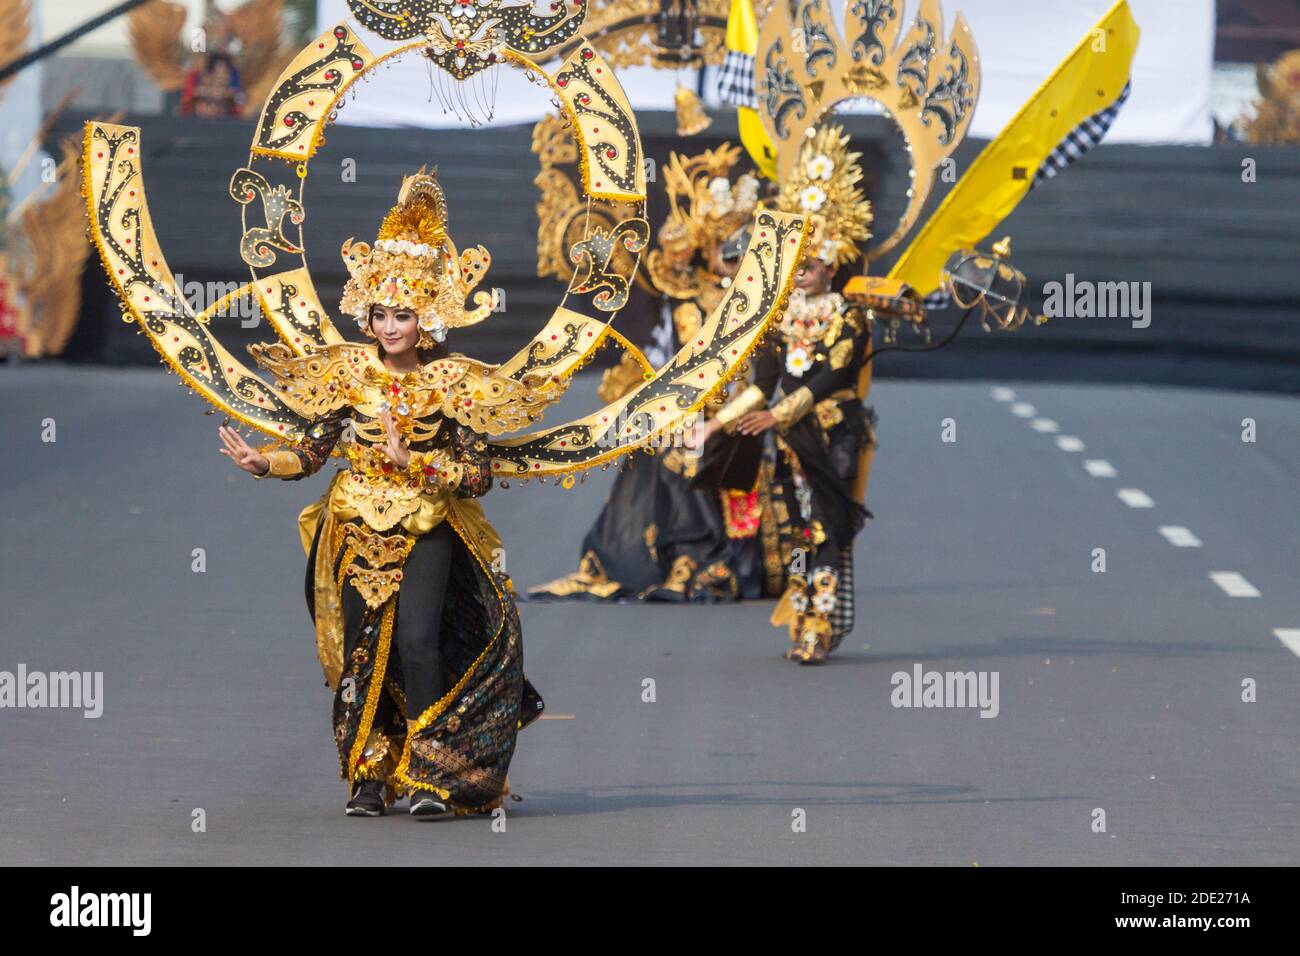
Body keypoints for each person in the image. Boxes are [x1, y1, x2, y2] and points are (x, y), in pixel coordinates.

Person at [219, 169, 550, 817]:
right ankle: (370, 775)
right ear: (365, 315)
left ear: (425, 321)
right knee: (360, 650)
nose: (390, 325)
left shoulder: (452, 387)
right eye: (380, 313)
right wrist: (266, 464)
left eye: (403, 314)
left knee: (420, 642)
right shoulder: (346, 376)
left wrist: (420, 464)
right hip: (355, 526)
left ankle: (429, 775)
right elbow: (312, 452)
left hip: (425, 526)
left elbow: (478, 474)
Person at [696, 124, 876, 664]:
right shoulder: (776, 319)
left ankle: (821, 626)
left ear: (832, 265)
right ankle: (804, 621)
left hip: (834, 438)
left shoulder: (850, 316)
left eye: (815, 265)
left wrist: (777, 415)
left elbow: (833, 378)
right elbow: (762, 385)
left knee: (824, 528)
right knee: (798, 532)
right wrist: (717, 422)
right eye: (798, 264)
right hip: (791, 439)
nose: (804, 274)